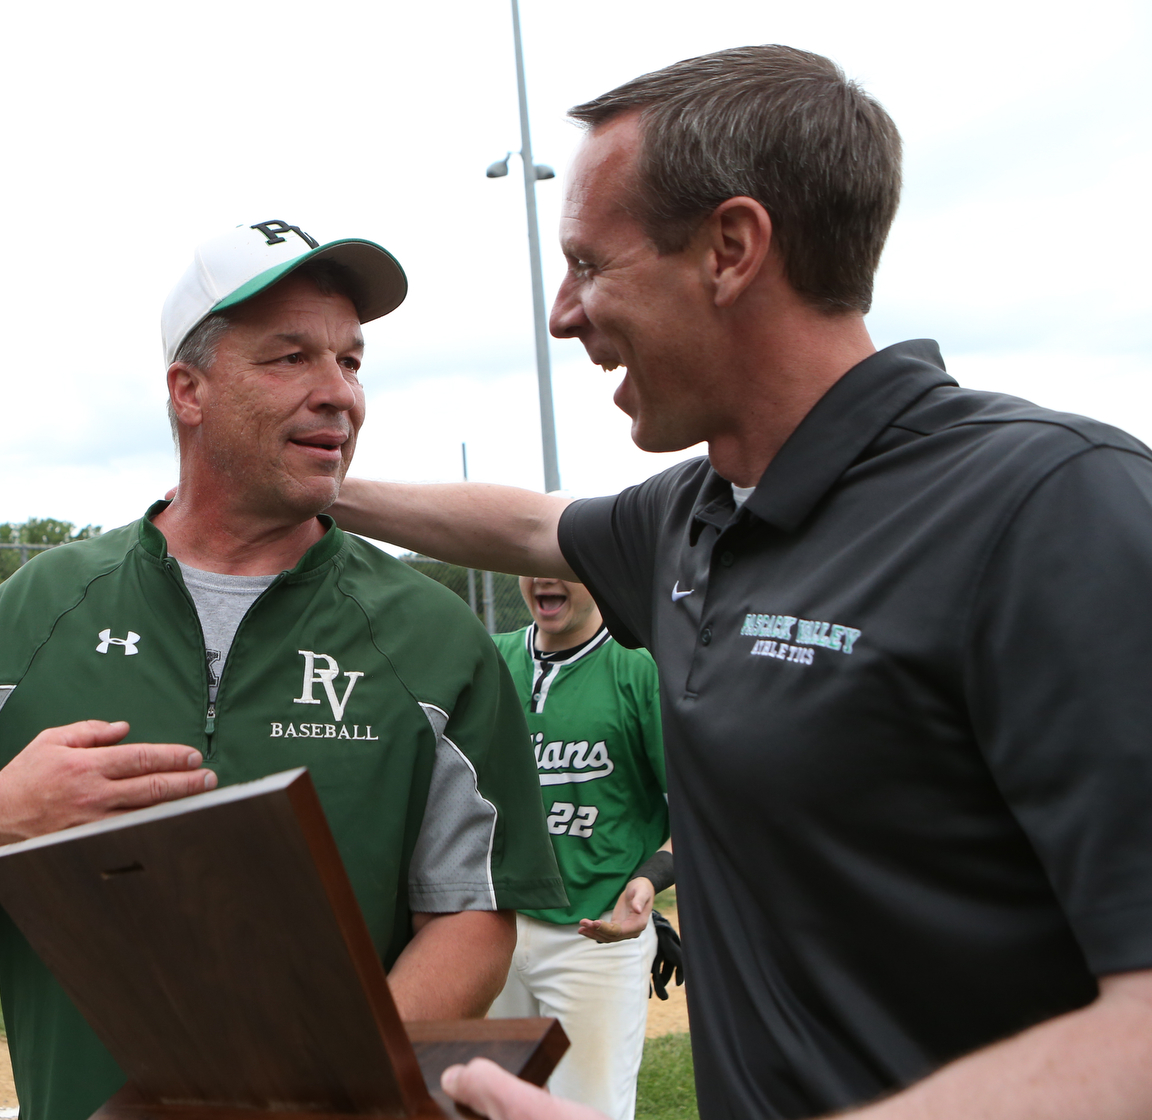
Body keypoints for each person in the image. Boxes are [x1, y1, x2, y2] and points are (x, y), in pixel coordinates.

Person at [332, 45, 1152, 1120]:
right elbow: (528, 523)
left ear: (729, 248)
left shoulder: (1047, 509)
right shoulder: (696, 511)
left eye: (589, 262)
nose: (561, 314)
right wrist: (316, 490)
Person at [0, 220, 565, 1120]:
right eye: (290, 358)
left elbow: (473, 914)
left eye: (351, 362)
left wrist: (317, 1082)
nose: (336, 393)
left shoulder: (431, 636)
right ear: (188, 390)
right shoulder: (41, 608)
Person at [489, 574, 671, 1120]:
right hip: (491, 928)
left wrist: (651, 876)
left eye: (564, 563)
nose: (544, 577)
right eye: (532, 563)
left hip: (594, 939)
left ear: (596, 574)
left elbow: (707, 807)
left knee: (585, 1112)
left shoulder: (639, 667)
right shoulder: (491, 659)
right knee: (484, 1104)